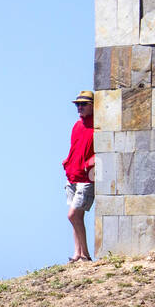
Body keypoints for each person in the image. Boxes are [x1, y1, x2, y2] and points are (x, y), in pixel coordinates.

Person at [62, 90, 96, 263]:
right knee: (76, 218)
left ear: (92, 105)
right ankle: (78, 254)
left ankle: (86, 255)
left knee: (73, 215)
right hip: (72, 176)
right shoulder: (77, 125)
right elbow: (74, 147)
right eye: (78, 104)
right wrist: (68, 162)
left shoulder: (98, 125)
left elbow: (104, 150)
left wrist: (90, 164)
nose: (79, 107)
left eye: (83, 104)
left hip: (86, 178)